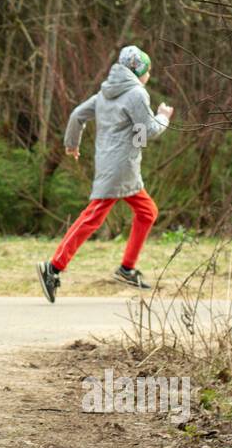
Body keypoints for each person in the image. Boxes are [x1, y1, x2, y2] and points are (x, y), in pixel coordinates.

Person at [37, 45, 173, 301]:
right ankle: (53, 268)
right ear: (139, 70)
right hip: (120, 167)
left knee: (147, 212)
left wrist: (72, 144)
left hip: (114, 164)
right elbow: (149, 131)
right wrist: (163, 117)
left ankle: (127, 268)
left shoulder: (106, 92)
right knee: (93, 217)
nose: (149, 75)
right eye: (148, 70)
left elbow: (78, 114)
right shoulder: (136, 94)